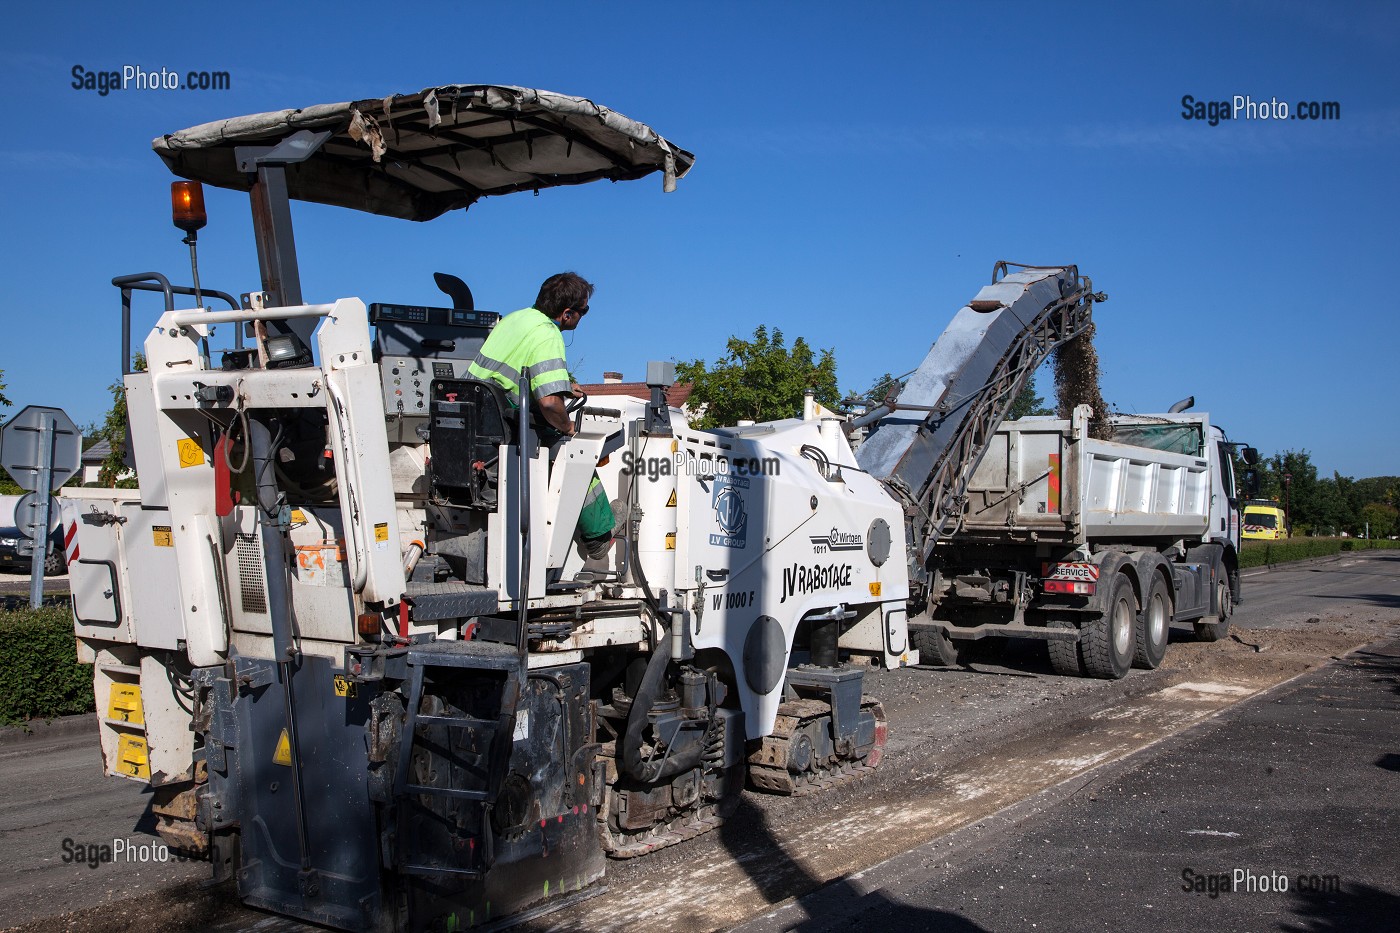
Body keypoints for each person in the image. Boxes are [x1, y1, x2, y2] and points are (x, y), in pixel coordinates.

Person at [468, 272, 613, 559]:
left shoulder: (515, 319)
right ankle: (599, 537)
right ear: (567, 314)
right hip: (506, 434)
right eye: (584, 311)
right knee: (575, 452)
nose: (583, 317)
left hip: (478, 426)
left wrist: (563, 385)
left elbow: (515, 370)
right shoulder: (548, 333)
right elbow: (548, 403)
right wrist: (569, 427)